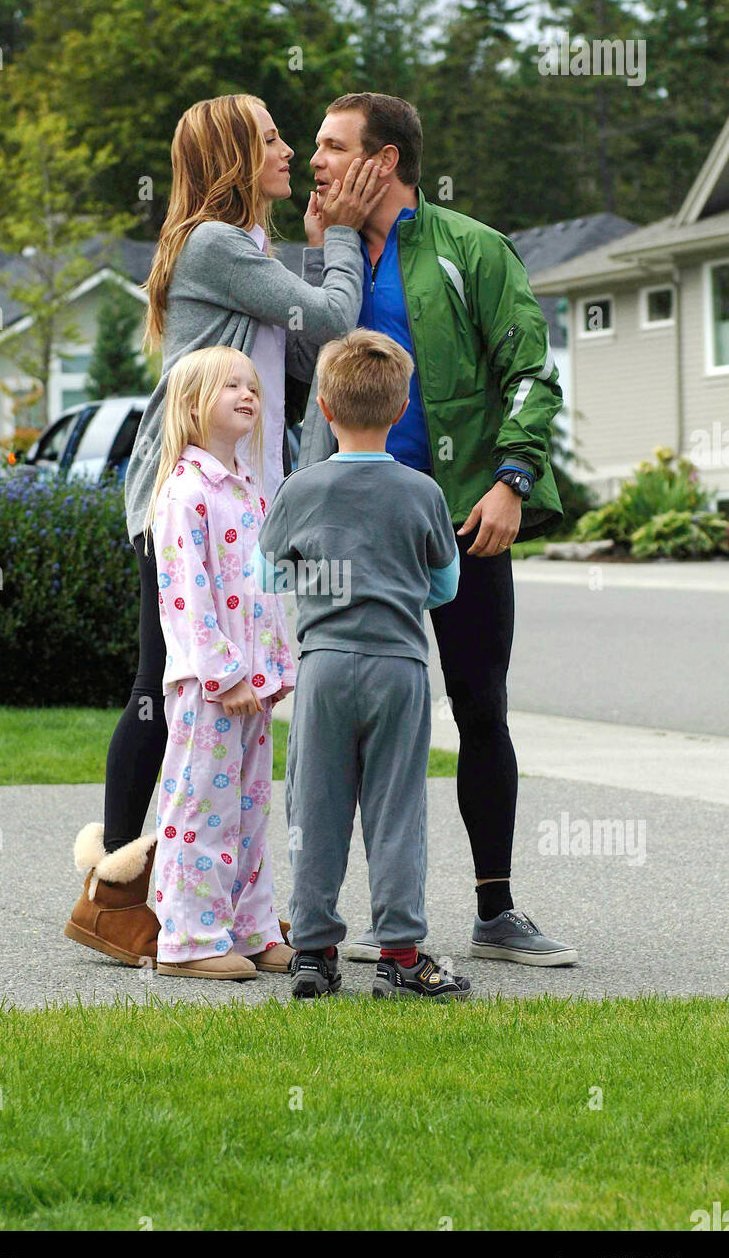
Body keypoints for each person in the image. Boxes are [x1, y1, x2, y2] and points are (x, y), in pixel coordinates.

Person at [65, 94, 387, 968]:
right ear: (238, 157)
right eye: (274, 138)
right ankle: (117, 898)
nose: (291, 152)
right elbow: (330, 323)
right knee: (161, 688)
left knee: (225, 709)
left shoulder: (247, 250)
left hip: (250, 504)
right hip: (188, 495)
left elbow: (297, 367)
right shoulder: (214, 246)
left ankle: (220, 904)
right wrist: (340, 240)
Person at [299, 93, 578, 967]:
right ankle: (323, 928)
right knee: (334, 717)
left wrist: (510, 481)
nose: (314, 161)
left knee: (479, 707)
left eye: (332, 147)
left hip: (460, 521)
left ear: (382, 162)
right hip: (347, 536)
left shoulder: (471, 248)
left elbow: (531, 372)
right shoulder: (324, 263)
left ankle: (494, 913)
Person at [255, 329, 471, 1000]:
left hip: (322, 669)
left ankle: (314, 954)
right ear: (401, 408)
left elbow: (266, 574)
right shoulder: (422, 493)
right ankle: (401, 956)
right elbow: (444, 587)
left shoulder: (298, 489)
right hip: (398, 670)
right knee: (395, 812)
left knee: (312, 810)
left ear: (323, 406)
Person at [148, 345, 294, 980]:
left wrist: (275, 664)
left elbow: (264, 587)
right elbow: (188, 594)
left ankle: (250, 928)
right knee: (200, 807)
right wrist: (224, 673)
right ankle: (187, 938)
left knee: (249, 808)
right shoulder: (186, 492)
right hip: (210, 689)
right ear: (191, 404)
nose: (248, 394)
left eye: (252, 386)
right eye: (230, 385)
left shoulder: (251, 488)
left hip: (252, 687)